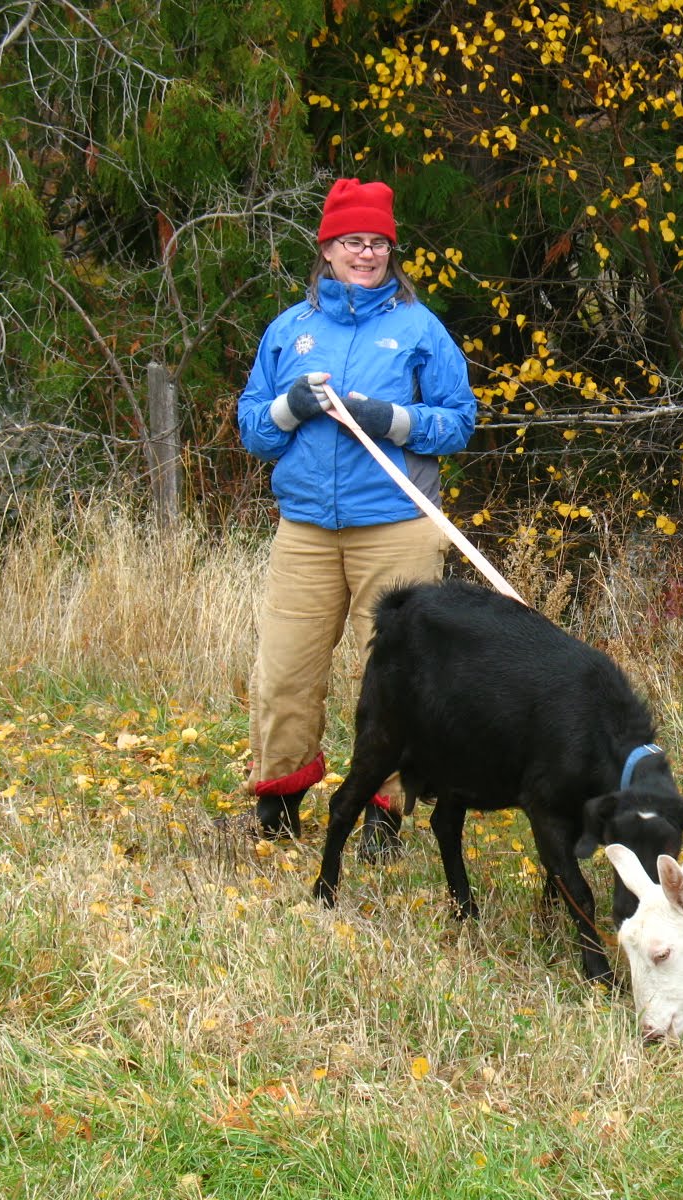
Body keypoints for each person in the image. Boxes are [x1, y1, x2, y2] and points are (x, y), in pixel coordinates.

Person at [236, 177, 477, 843]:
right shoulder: (291, 329)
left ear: (391, 251)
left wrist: (390, 419)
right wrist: (290, 407)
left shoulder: (418, 328)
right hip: (306, 529)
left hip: (397, 526)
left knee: (397, 678)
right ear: (327, 249)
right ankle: (279, 801)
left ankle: (383, 814)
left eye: (377, 243)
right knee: (285, 672)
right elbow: (255, 429)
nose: (365, 253)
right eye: (352, 242)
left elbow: (459, 422)